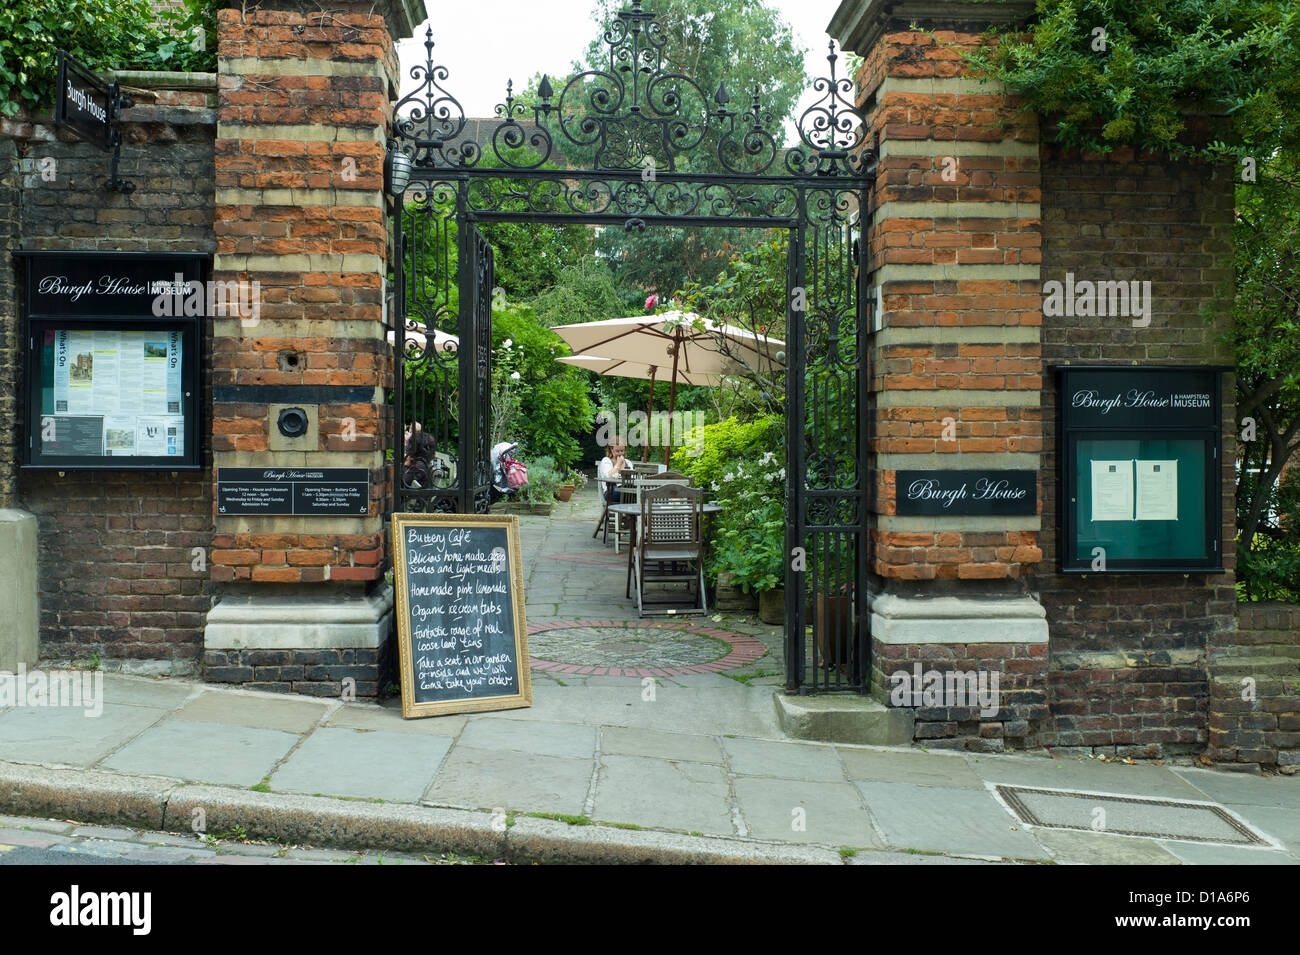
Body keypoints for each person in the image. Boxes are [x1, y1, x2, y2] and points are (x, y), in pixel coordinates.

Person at [597, 438, 628, 503]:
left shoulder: (628, 462)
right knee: (632, 494)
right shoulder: (606, 461)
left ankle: (630, 512)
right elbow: (609, 476)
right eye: (617, 451)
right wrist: (618, 464)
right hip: (611, 491)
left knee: (637, 492)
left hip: (627, 489)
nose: (620, 454)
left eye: (622, 451)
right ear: (611, 450)